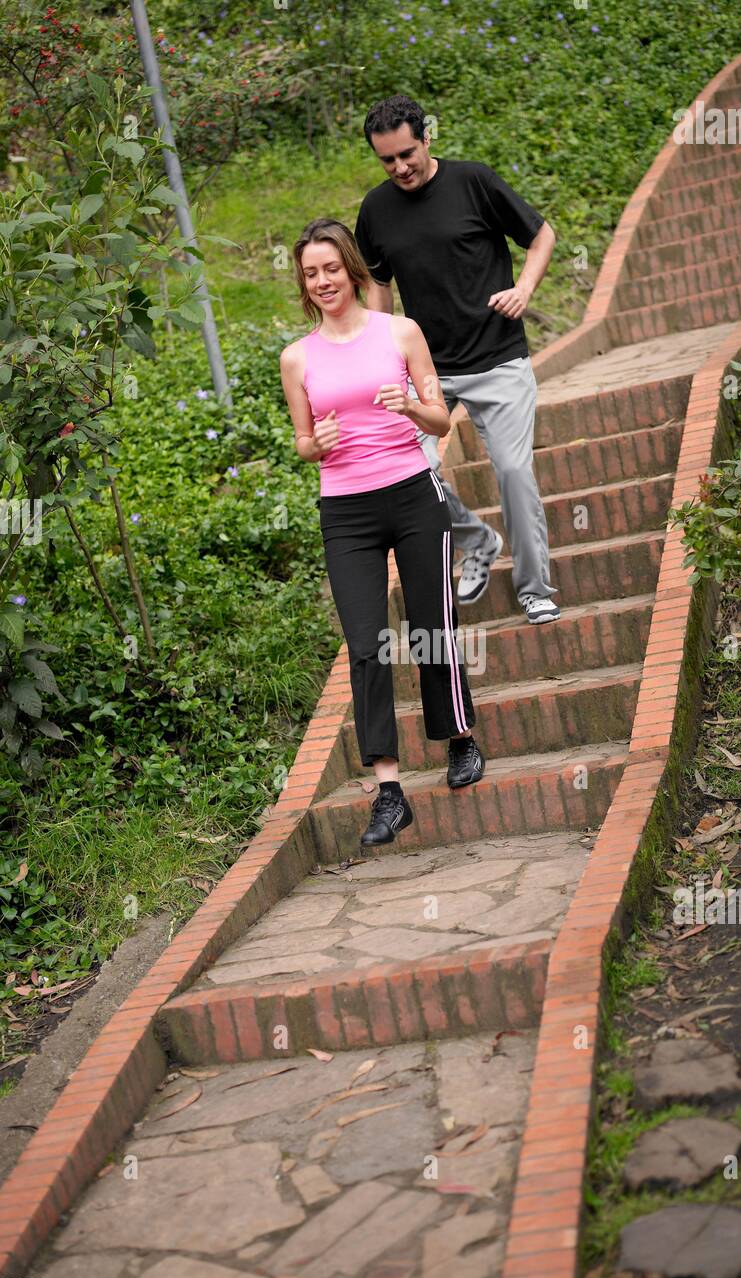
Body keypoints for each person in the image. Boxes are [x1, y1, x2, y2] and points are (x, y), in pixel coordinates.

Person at [280, 218, 485, 850]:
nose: (322, 282)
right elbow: (302, 443)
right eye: (311, 274)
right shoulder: (296, 357)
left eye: (331, 269)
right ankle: (389, 791)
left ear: (351, 268)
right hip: (346, 512)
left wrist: (408, 407)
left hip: (411, 494)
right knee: (366, 643)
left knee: (430, 624)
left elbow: (440, 418)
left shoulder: (399, 332)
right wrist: (318, 444)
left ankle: (458, 738)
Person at [355, 94, 561, 624]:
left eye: (407, 153)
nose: (400, 167)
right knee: (410, 469)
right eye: (387, 160)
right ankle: (477, 540)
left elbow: (541, 235)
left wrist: (524, 288)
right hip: (427, 370)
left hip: (497, 359)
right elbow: (379, 283)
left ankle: (534, 589)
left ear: (426, 138)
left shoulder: (474, 181)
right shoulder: (375, 210)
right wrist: (382, 352)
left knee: (514, 473)